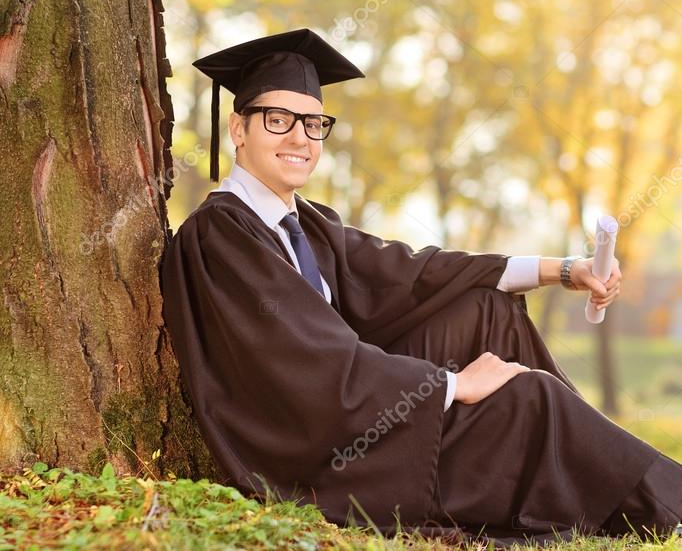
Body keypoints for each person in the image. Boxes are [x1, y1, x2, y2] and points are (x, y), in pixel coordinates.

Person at [160, 28, 682, 547]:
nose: (300, 138)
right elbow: (310, 361)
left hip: (345, 407)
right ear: (238, 129)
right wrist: (453, 385)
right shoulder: (224, 231)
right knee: (530, 393)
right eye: (279, 120)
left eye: (313, 123)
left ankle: (598, 478)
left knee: (485, 308)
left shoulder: (307, 224)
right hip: (316, 452)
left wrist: (567, 269)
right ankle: (661, 501)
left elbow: (412, 271)